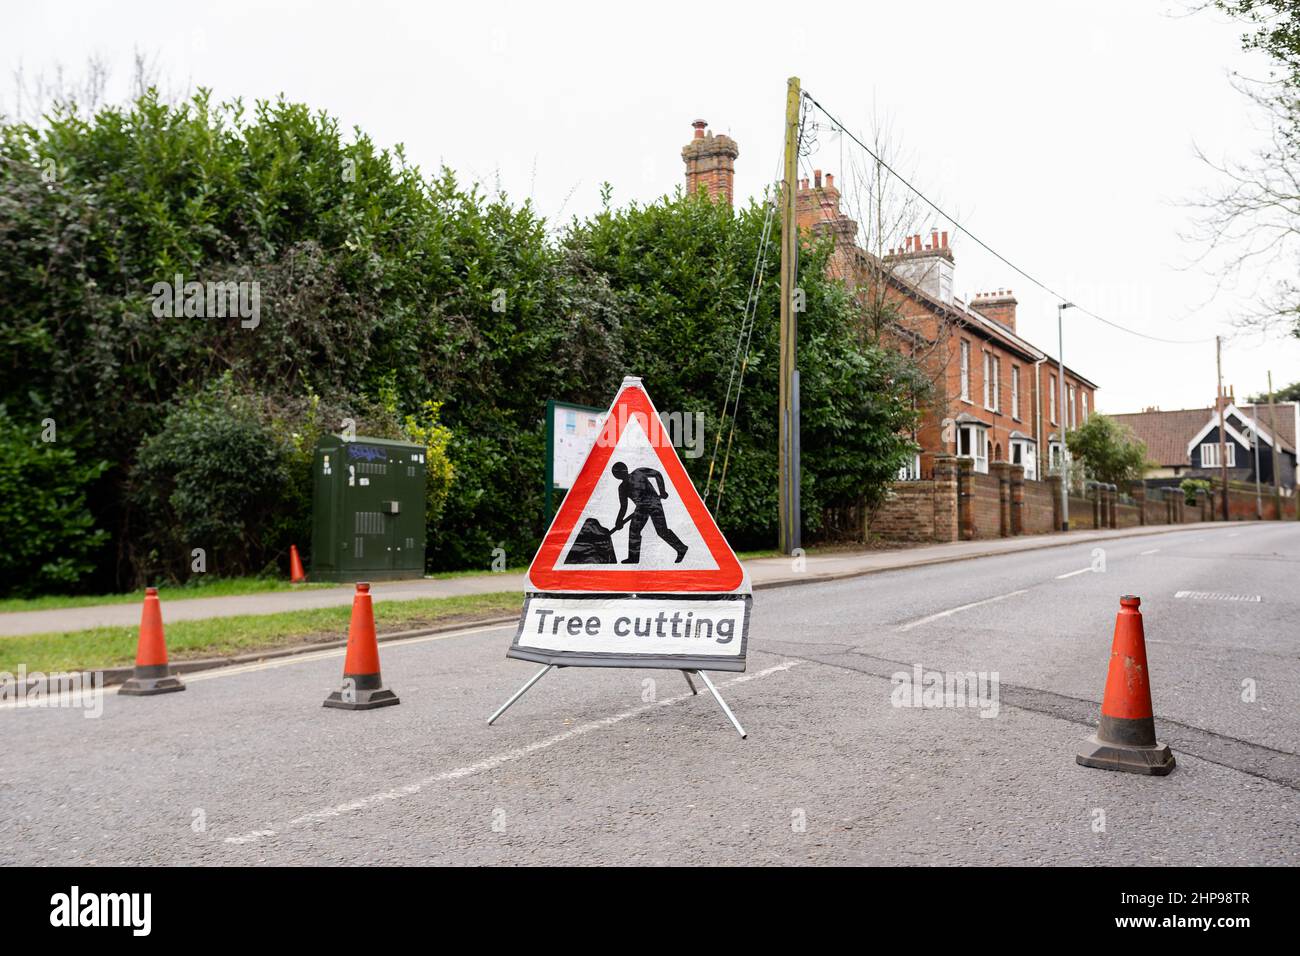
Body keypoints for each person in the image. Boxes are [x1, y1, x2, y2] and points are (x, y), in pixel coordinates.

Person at [611, 461, 688, 564]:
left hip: (654, 503)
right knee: (634, 531)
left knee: (662, 531)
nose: (620, 475)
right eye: (617, 474)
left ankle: (681, 548)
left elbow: (657, 474)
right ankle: (633, 558)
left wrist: (662, 491)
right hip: (641, 508)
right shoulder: (622, 488)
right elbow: (623, 506)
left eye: (620, 472)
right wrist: (619, 520)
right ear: (616, 476)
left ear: (625, 470)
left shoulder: (638, 472)